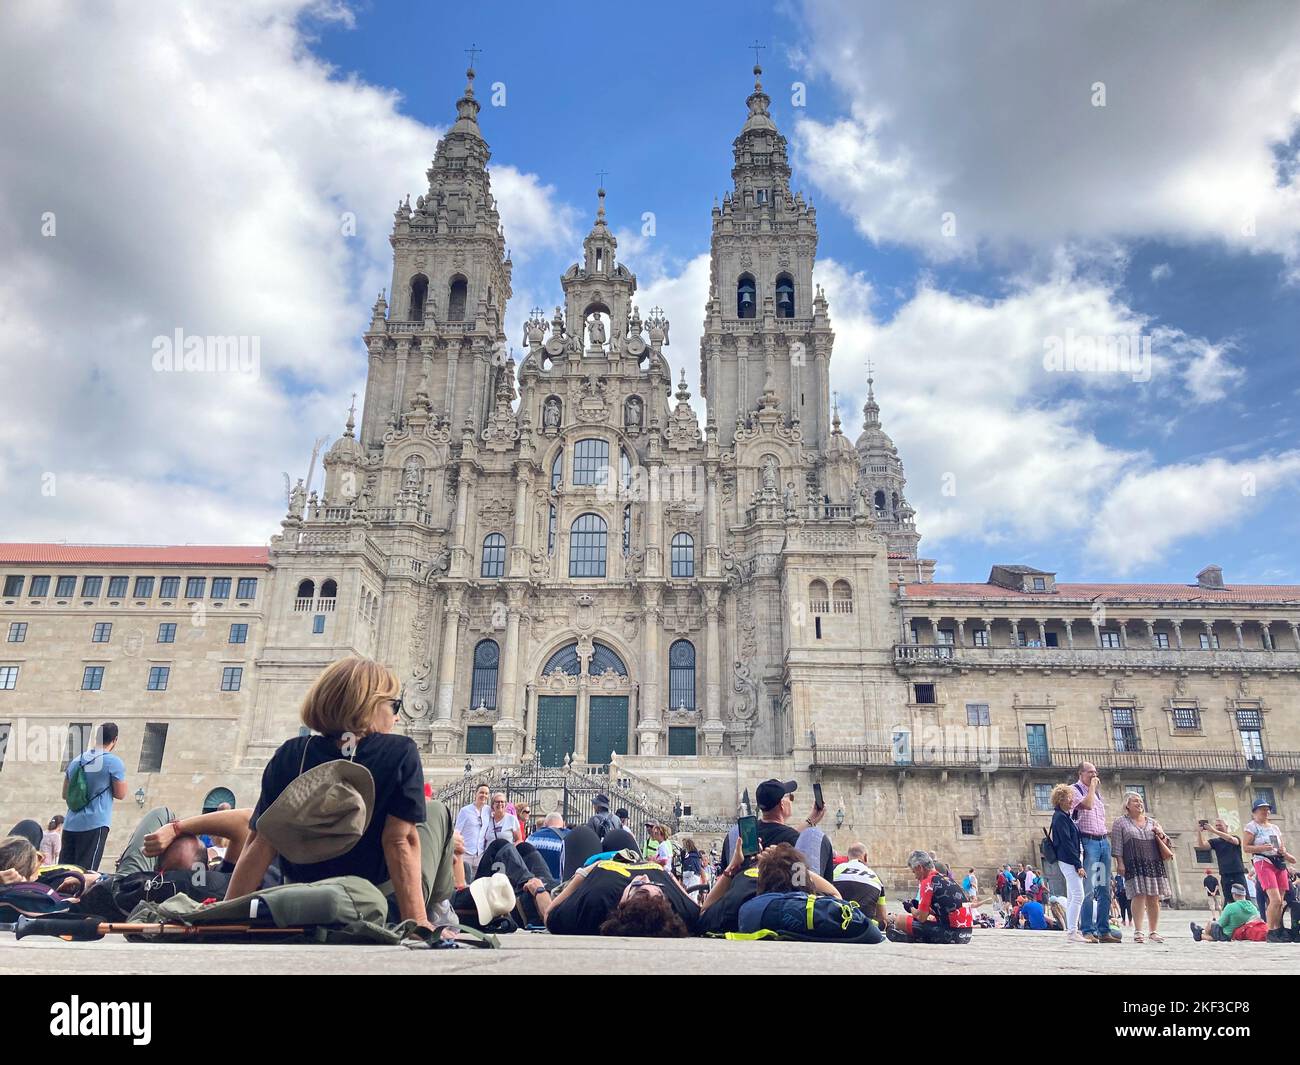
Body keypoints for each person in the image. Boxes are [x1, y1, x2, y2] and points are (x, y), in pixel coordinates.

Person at [225, 657, 455, 931]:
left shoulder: (291, 753)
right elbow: (399, 841)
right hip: (375, 908)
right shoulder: (400, 751)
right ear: (368, 706)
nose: (397, 715)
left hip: (302, 904)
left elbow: (260, 842)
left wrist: (227, 915)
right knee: (435, 811)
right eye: (394, 705)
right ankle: (441, 909)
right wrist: (416, 923)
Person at [545, 853, 699, 937]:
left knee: (540, 877)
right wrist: (668, 876)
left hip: (600, 859)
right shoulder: (683, 910)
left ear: (622, 903)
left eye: (639, 888)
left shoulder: (596, 900)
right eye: (657, 886)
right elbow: (701, 911)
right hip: (638, 855)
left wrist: (586, 871)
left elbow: (549, 914)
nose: (645, 877)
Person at [60, 722, 128, 871]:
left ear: (96, 737)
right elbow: (121, 794)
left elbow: (65, 794)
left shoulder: (76, 760)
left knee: (63, 871)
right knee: (85, 874)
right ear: (115, 740)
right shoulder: (113, 762)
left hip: (70, 824)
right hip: (95, 823)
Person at [1110, 791, 1172, 943]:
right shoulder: (1120, 822)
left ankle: (1153, 931)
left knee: (1154, 897)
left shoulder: (1152, 822)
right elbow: (1117, 845)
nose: (1139, 803)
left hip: (1153, 861)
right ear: (1127, 805)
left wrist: (1160, 833)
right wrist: (1120, 863)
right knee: (1138, 895)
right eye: (1135, 801)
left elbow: (1167, 842)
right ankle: (1138, 931)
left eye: (1140, 801)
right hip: (1134, 862)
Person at [1068, 761, 1119, 944]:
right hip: (1088, 841)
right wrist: (1092, 787)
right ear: (1081, 773)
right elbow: (1087, 806)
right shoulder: (1074, 790)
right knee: (1088, 888)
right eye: (1090, 772)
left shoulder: (1096, 793)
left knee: (1104, 887)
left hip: (1103, 842)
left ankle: (1104, 930)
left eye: (1096, 772)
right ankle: (1087, 929)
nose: (1094, 775)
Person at [886, 850, 972, 944]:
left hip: (951, 934)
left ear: (919, 868)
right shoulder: (947, 879)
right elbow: (945, 910)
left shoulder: (927, 882)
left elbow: (921, 917)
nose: (915, 877)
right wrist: (919, 907)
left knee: (899, 920)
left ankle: (912, 938)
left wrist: (910, 907)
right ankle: (914, 937)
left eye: (914, 872)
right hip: (966, 934)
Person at [1242, 799, 1296, 943]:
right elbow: (1246, 847)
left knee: (1281, 901)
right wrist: (1262, 848)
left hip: (1278, 862)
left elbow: (1281, 846)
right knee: (1275, 899)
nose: (1265, 812)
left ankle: (1278, 928)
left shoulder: (1274, 828)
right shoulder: (1251, 827)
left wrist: (1283, 851)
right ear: (1254, 812)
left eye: (1267, 809)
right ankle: (1270, 930)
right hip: (1263, 861)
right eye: (1262, 809)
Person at [1048, 782, 1087, 941]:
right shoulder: (1060, 818)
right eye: (1069, 798)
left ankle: (1072, 930)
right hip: (1069, 860)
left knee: (1072, 895)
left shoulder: (1065, 817)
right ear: (1060, 800)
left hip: (1070, 859)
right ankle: (1072, 931)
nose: (1072, 800)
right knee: (1078, 895)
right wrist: (1078, 864)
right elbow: (1066, 842)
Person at [1190, 883, 1270, 943]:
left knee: (1211, 923)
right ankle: (1200, 932)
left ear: (1234, 894)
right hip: (1240, 933)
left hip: (1228, 934)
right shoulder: (1253, 907)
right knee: (1214, 930)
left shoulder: (1231, 907)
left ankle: (1200, 934)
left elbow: (1221, 923)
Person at [833, 842, 887, 929]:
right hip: (862, 926)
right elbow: (882, 918)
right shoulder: (877, 879)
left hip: (836, 921)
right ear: (865, 857)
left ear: (848, 858)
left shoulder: (835, 869)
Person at [1197, 817, 1248, 900]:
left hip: (1237, 872)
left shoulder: (1235, 837)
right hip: (1225, 874)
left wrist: (1213, 831)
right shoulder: (1215, 841)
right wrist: (1199, 832)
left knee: (1244, 897)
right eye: (1216, 825)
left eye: (1220, 825)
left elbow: (1231, 839)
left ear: (1226, 826)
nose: (1218, 827)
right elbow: (1202, 845)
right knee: (1228, 898)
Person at [455, 786, 492, 883]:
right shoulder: (465, 811)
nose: (484, 795)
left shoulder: (488, 810)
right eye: (481, 792)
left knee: (477, 883)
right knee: (463, 882)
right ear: (476, 793)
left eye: (486, 793)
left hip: (479, 854)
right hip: (466, 853)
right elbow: (457, 831)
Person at [526, 812, 569, 881]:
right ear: (563, 824)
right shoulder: (570, 837)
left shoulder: (531, 838)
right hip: (561, 885)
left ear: (545, 824)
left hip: (538, 884)